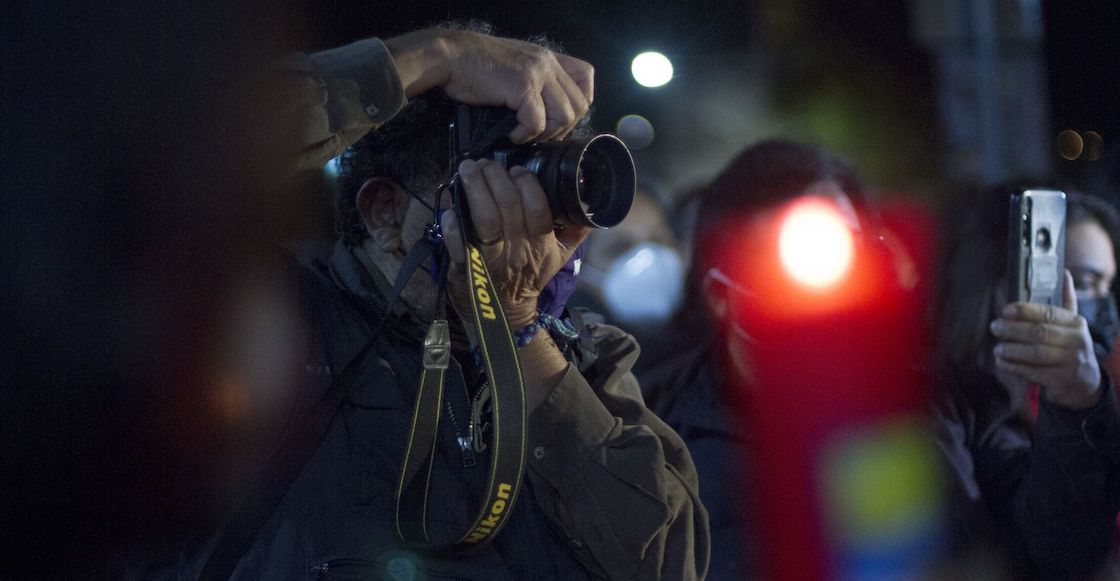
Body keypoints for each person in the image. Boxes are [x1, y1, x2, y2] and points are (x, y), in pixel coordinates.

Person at [180, 24, 709, 581]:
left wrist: (520, 332)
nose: (526, 215)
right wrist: (433, 55)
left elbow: (669, 567)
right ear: (385, 214)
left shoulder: (586, 358)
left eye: (537, 185)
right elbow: (156, 158)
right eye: (492, 181)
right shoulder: (278, 328)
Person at [640, 139, 867, 580]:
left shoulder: (912, 407)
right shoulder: (675, 465)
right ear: (721, 293)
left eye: (851, 250)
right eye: (800, 258)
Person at [932, 184, 1120, 580]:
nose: (1102, 306)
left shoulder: (1059, 399)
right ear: (1007, 285)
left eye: (1108, 287)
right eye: (1083, 283)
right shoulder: (940, 405)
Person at [569, 179, 686, 372]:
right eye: (619, 249)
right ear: (581, 272)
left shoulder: (707, 347)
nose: (647, 258)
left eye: (658, 240)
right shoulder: (569, 364)